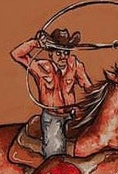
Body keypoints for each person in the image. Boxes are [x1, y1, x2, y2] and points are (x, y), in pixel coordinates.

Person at [10, 27, 96, 157]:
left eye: (66, 52)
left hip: (72, 116)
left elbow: (89, 88)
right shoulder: (41, 67)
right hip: (53, 118)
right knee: (55, 155)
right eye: (58, 53)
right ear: (50, 53)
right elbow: (16, 54)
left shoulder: (75, 65)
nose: (63, 57)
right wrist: (36, 43)